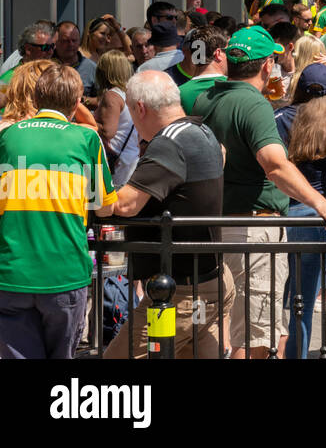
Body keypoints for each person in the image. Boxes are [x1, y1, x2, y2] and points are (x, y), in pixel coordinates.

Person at [190, 25, 326, 359]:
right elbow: (274, 165)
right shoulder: (254, 105)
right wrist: (325, 206)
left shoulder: (205, 97)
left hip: (215, 226)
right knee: (253, 338)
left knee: (221, 332)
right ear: (266, 66)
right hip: (252, 233)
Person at [103, 71, 231, 359]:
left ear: (140, 109)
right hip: (209, 282)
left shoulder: (170, 141)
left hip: (179, 294)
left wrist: (91, 195)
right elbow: (223, 155)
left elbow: (125, 205)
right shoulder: (203, 131)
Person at [0, 64, 117, 358]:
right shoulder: (87, 139)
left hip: (12, 271)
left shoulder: (8, 136)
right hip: (64, 272)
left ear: (37, 98)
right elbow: (103, 207)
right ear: (77, 102)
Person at [274, 64, 326, 359]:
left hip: (278, 214)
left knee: (273, 295)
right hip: (313, 218)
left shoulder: (276, 118)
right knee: (301, 301)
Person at [94, 50, 140, 188]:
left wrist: (87, 120)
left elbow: (108, 132)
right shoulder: (132, 94)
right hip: (130, 158)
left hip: (115, 162)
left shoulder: (112, 96)